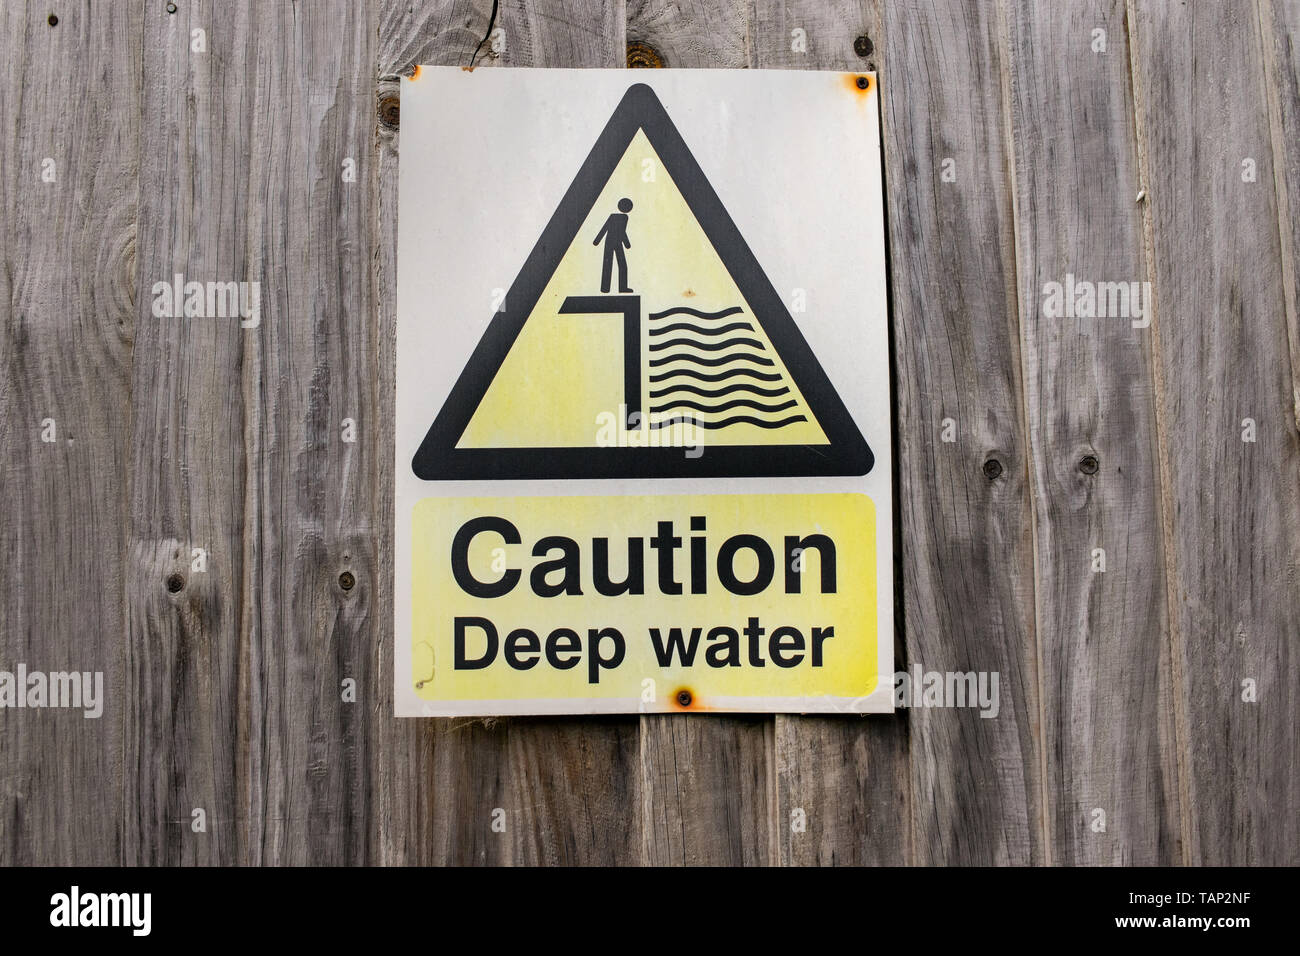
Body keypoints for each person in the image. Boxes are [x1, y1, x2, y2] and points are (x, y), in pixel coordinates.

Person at [593, 198, 633, 293]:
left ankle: (605, 289)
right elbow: (621, 231)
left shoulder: (613, 216)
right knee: (621, 265)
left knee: (609, 265)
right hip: (616, 242)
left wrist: (597, 241)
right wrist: (627, 244)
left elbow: (605, 228)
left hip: (610, 242)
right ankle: (621, 288)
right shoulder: (624, 217)